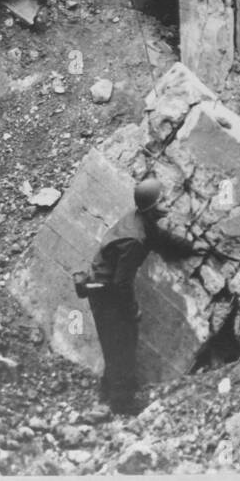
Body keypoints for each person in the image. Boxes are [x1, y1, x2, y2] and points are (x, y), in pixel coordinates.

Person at [85, 177, 196, 416]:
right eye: (162, 199)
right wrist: (132, 309)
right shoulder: (134, 239)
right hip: (106, 293)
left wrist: (189, 247)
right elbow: (121, 283)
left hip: (108, 286)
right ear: (150, 207)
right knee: (121, 343)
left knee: (119, 341)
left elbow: (159, 240)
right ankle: (122, 403)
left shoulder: (142, 221)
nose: (167, 201)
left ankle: (108, 389)